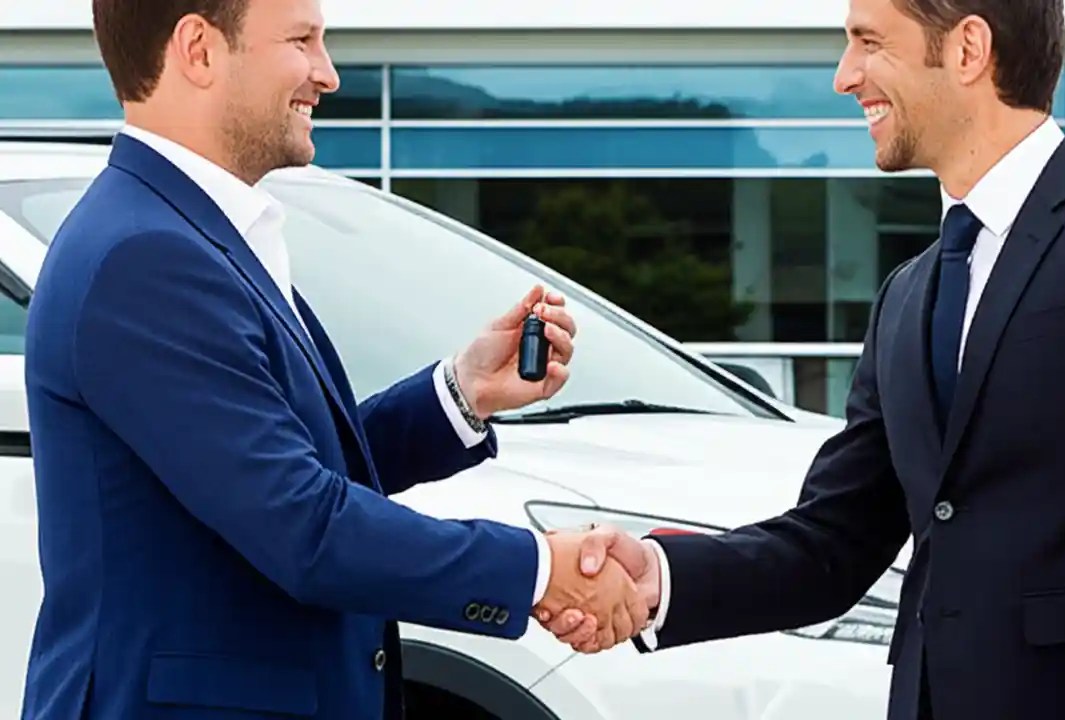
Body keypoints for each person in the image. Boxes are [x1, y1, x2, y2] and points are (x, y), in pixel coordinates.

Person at [540, 0, 1065, 718]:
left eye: (869, 42)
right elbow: (832, 540)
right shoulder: (909, 293)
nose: (845, 75)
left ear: (967, 49)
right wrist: (656, 578)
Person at [20, 0, 646, 718]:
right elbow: (304, 527)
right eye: (302, 40)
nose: (329, 74)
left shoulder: (187, 234)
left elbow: (276, 470)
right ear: (198, 49)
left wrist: (461, 393)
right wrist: (542, 571)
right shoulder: (145, 257)